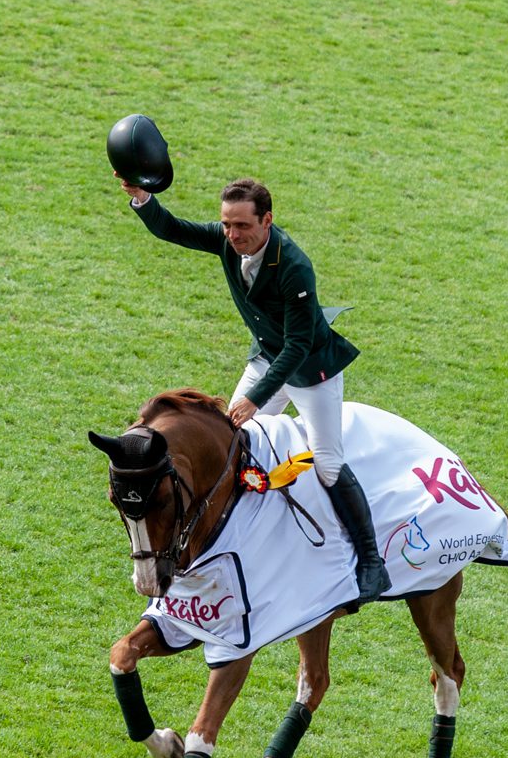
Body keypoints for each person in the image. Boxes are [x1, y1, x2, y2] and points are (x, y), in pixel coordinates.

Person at [116, 174, 390, 601]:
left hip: (309, 369)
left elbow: (299, 345)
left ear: (267, 220)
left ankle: (372, 561)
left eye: (242, 226)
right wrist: (142, 199)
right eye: (226, 225)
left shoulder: (293, 266)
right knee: (232, 444)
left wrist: (255, 398)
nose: (232, 234)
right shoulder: (227, 242)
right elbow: (172, 229)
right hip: (267, 356)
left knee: (328, 465)